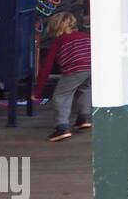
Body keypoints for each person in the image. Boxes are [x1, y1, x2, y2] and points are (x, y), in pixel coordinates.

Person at [33, 10, 92, 143]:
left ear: (56, 28)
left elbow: (46, 67)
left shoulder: (59, 41)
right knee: (85, 90)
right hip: (91, 67)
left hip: (74, 69)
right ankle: (84, 118)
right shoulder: (85, 36)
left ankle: (62, 127)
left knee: (61, 96)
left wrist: (37, 91)